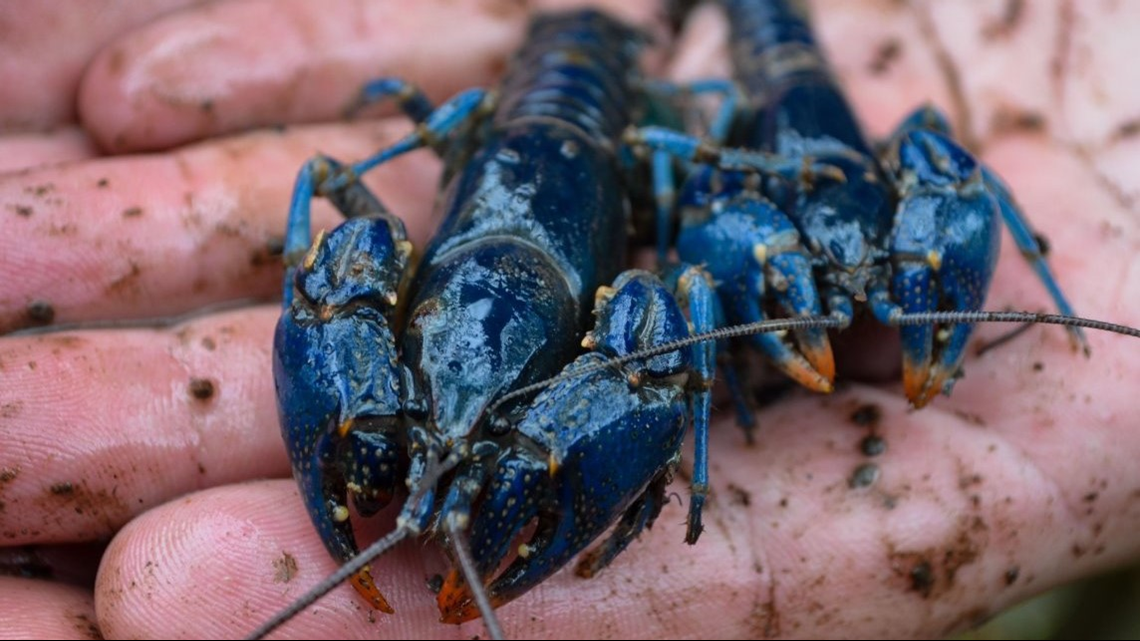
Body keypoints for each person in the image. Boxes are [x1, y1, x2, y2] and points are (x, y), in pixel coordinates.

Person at [1, 0, 1137, 637]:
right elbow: (342, 254)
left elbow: (650, 326)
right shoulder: (406, 268)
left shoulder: (667, 209)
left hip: (603, 129)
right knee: (342, 256)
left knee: (656, 334)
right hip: (534, 111)